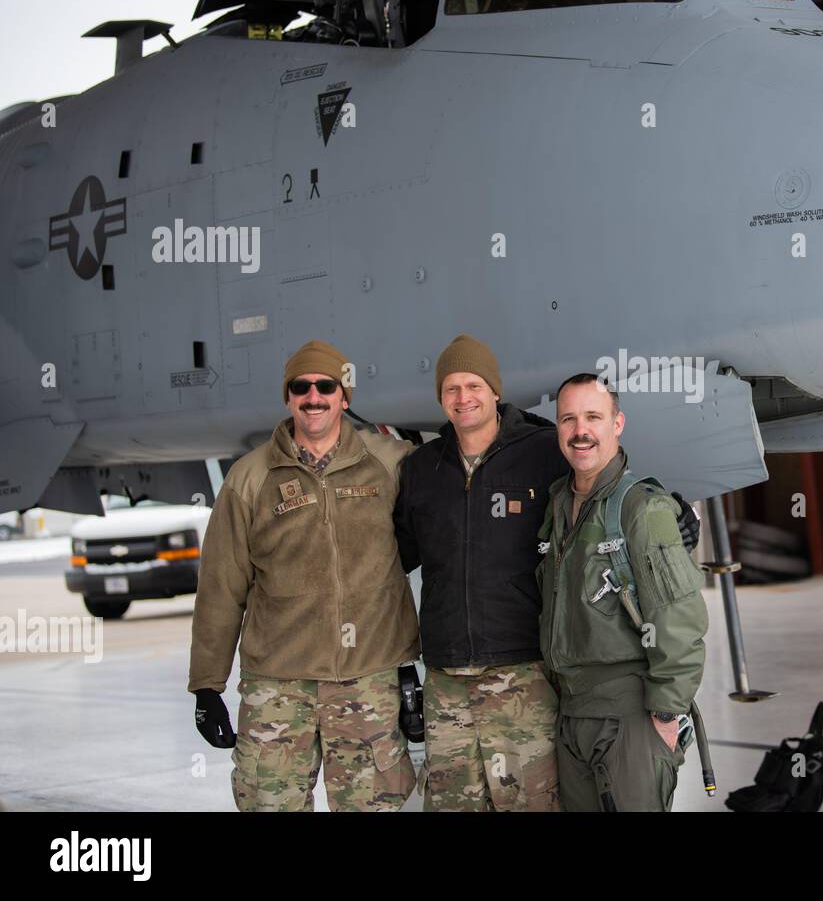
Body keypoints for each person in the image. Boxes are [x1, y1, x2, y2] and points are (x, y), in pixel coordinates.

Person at [393, 335, 700, 811]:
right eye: (451, 388)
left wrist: (674, 510)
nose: (463, 397)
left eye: (474, 384)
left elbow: (608, 478)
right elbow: (394, 557)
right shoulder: (422, 469)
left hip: (530, 676)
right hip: (454, 676)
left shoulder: (540, 452)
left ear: (495, 390)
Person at [188, 340, 421, 811]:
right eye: (301, 386)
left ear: (345, 396)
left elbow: (431, 544)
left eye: (325, 386)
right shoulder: (249, 479)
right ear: (288, 396)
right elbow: (220, 587)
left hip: (366, 681)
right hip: (278, 685)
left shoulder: (391, 464)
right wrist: (207, 685)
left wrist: (407, 669)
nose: (313, 396)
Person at [537, 372, 708, 812]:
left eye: (593, 416)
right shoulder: (558, 506)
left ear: (617, 423)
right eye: (568, 419)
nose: (581, 431)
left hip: (628, 715)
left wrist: (667, 715)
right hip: (572, 713)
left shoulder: (642, 507)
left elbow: (680, 619)